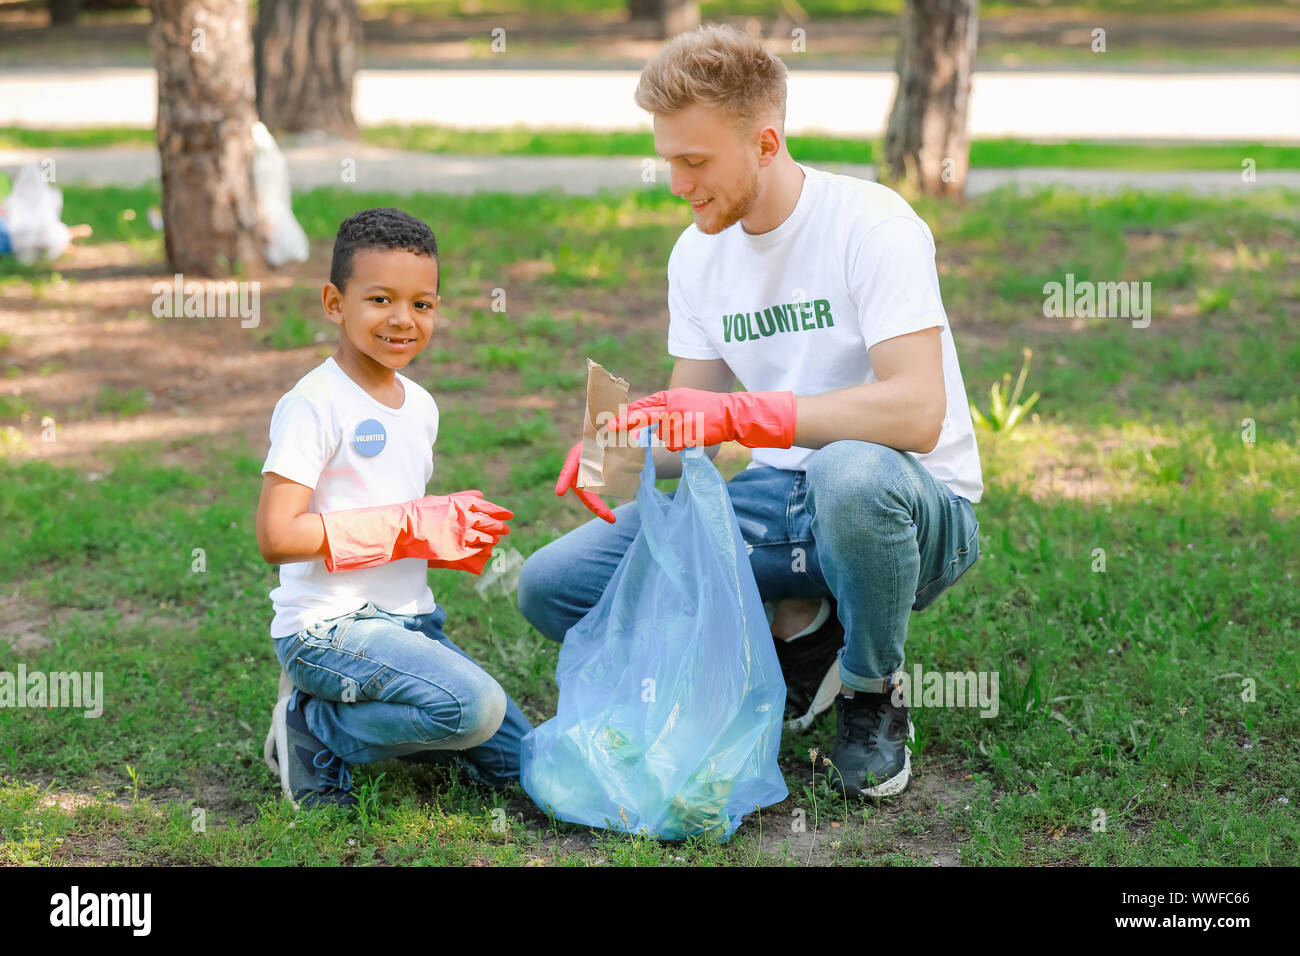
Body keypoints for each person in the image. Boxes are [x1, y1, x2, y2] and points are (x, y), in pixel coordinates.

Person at [521, 25, 983, 800]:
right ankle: (792, 644)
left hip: (904, 506)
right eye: (669, 158)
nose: (676, 182)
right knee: (552, 585)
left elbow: (917, 413)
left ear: (765, 143)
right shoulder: (697, 255)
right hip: (778, 509)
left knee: (850, 473)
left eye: (694, 161)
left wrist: (739, 416)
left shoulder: (873, 226)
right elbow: (684, 426)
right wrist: (617, 440)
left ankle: (871, 694)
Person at [255, 207, 532, 809]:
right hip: (328, 628)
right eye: (380, 299)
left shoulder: (422, 405)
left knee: (522, 760)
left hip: (410, 622)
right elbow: (277, 536)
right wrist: (407, 526)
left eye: (423, 304)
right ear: (335, 303)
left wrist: (443, 538)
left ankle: (393, 720)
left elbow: (389, 518)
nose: (404, 320)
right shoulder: (313, 404)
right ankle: (313, 729)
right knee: (471, 708)